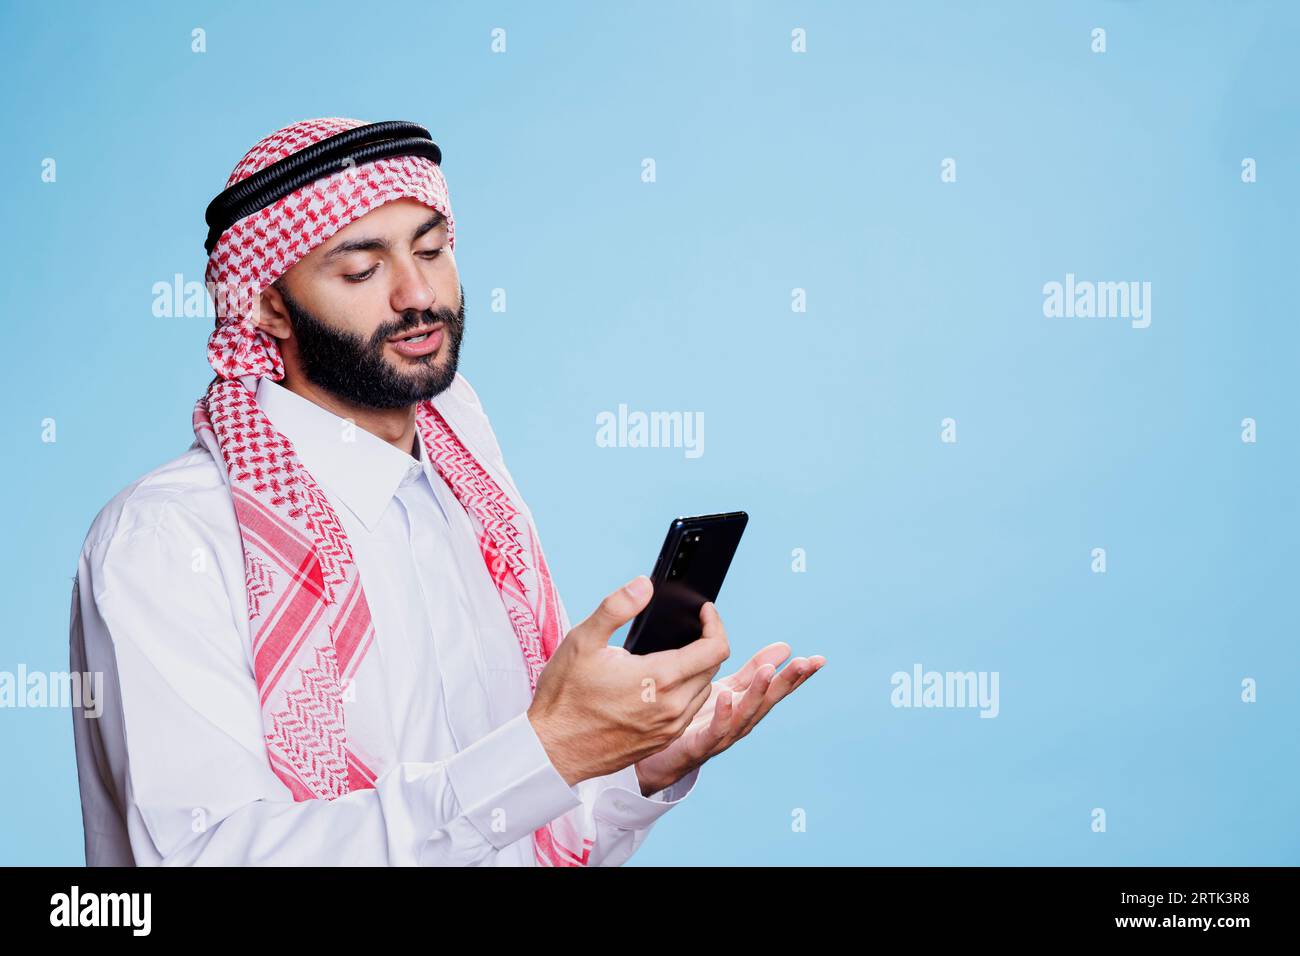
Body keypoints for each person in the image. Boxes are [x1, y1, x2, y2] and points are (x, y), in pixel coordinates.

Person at [68, 117, 825, 866]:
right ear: (268, 306)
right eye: (361, 271)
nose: (417, 293)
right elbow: (209, 859)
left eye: (432, 250)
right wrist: (550, 751)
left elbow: (513, 832)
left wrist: (631, 765)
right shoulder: (170, 538)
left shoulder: (470, 502)